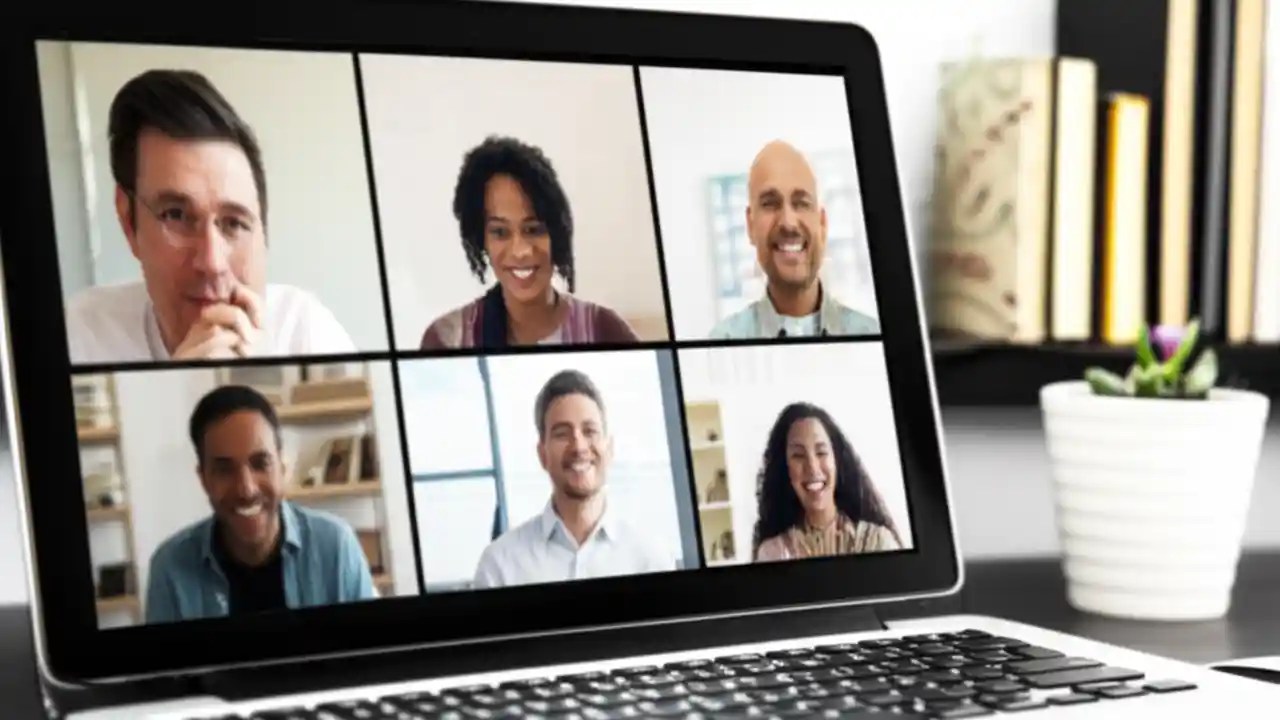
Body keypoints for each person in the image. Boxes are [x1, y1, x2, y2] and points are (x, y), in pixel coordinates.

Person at [63, 69, 356, 364]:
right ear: (128, 222)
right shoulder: (79, 337)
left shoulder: (307, 333)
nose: (212, 263)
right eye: (176, 215)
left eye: (234, 223)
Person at [144, 385, 376, 623]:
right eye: (224, 470)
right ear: (203, 479)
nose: (246, 489)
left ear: (282, 467)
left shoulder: (336, 547)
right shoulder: (169, 568)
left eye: (260, 463)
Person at [420, 136, 640, 348]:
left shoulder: (604, 330)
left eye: (533, 230)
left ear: (556, 234)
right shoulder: (448, 339)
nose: (521, 251)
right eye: (500, 232)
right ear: (481, 240)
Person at [472, 369, 673, 588]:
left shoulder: (652, 559)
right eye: (562, 434)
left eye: (590, 431)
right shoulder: (499, 566)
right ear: (542, 455)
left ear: (610, 449)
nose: (578, 446)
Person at [708, 140, 879, 339]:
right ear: (750, 225)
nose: (788, 223)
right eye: (770, 204)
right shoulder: (723, 341)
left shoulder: (871, 335)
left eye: (801, 203)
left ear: (822, 224)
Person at [752, 402, 903, 562]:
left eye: (821, 452)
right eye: (798, 455)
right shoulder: (773, 553)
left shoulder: (878, 542)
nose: (812, 467)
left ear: (837, 460)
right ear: (784, 467)